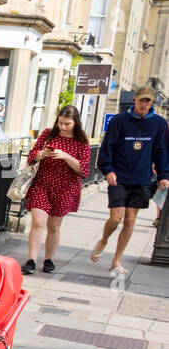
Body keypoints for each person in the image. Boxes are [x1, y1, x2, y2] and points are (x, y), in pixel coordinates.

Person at [89, 86, 169, 276]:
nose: (144, 104)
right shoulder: (119, 120)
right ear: (134, 99)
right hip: (119, 177)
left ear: (153, 103)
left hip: (141, 178)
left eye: (148, 101)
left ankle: (116, 260)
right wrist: (108, 170)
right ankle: (103, 240)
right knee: (116, 218)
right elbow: (108, 147)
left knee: (130, 220)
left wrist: (164, 175)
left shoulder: (158, 123)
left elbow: (161, 151)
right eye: (141, 100)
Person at [20, 104, 90, 274]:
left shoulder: (81, 142)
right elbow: (31, 157)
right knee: (38, 222)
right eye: (60, 123)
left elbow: (84, 170)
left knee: (54, 227)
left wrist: (66, 156)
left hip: (65, 188)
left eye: (67, 124)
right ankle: (31, 260)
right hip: (42, 183)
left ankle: (49, 259)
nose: (63, 127)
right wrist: (42, 154)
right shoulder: (48, 134)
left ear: (76, 123)